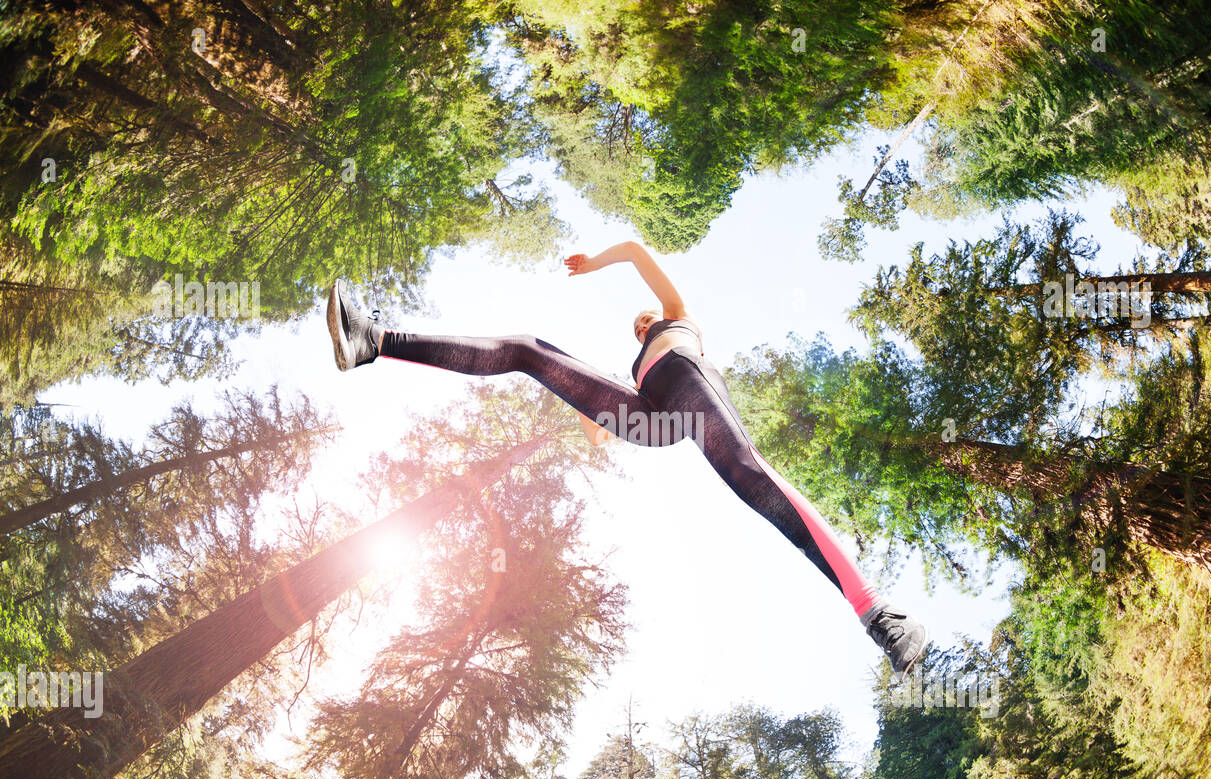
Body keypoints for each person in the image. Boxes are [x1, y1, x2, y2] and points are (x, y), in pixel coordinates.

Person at [325, 240, 928, 675]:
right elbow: (602, 431)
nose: (642, 320)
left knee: (746, 468)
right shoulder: (636, 363)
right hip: (653, 416)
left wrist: (594, 264)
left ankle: (878, 612)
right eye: (638, 322)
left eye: (647, 316)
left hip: (690, 390)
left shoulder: (679, 320)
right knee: (528, 351)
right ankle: (372, 343)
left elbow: (641, 253)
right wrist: (590, 403)